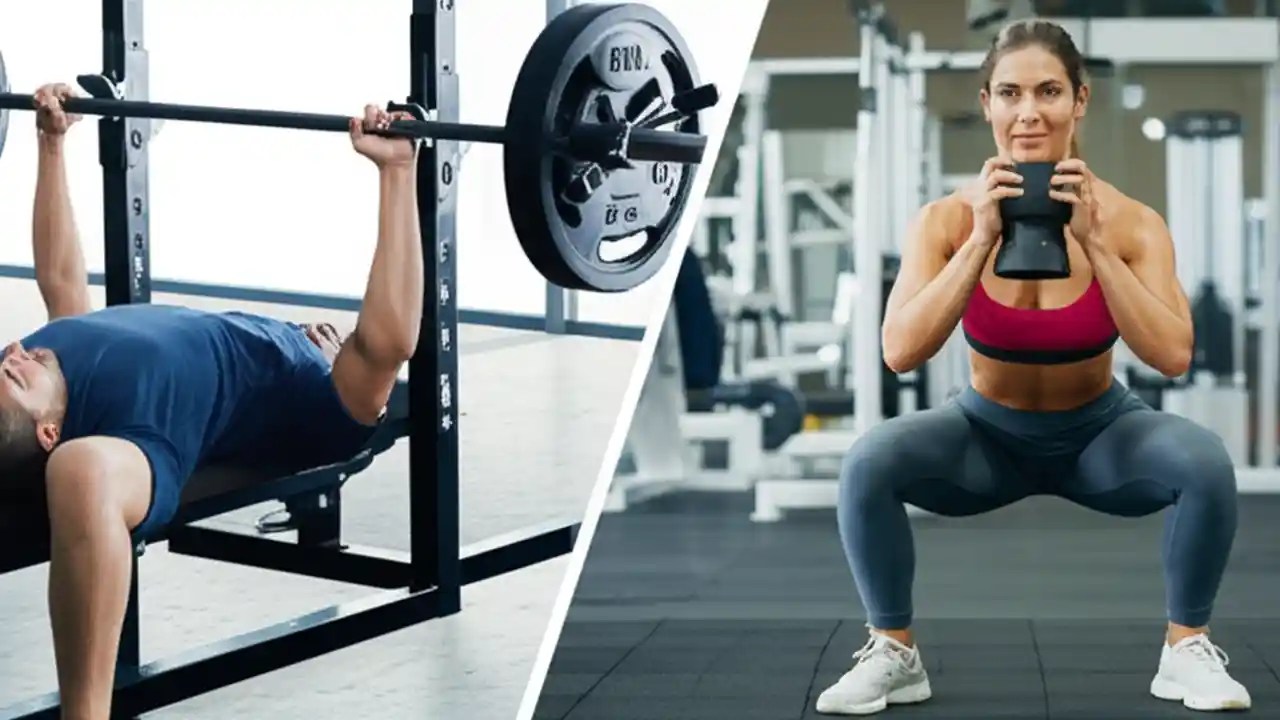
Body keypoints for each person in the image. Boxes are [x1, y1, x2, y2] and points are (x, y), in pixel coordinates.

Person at [815, 19, 1250, 716]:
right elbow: (900, 351)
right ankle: (894, 651)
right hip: (985, 438)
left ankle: (1185, 648)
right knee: (870, 460)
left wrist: (1096, 246)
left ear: (1080, 101)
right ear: (987, 102)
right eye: (1010, 93)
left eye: (1049, 91)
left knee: (1204, 463)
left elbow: (1171, 355)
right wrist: (982, 237)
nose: (1028, 112)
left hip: (1101, 438)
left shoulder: (1133, 223)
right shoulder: (946, 221)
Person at [0, 84, 423, 720]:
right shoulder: (124, 430)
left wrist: (51, 142)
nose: (12, 350)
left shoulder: (50, 355)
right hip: (309, 386)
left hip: (281, 342)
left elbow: (61, 281)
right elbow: (391, 345)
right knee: (376, 358)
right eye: (12, 377)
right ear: (49, 431)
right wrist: (398, 171)